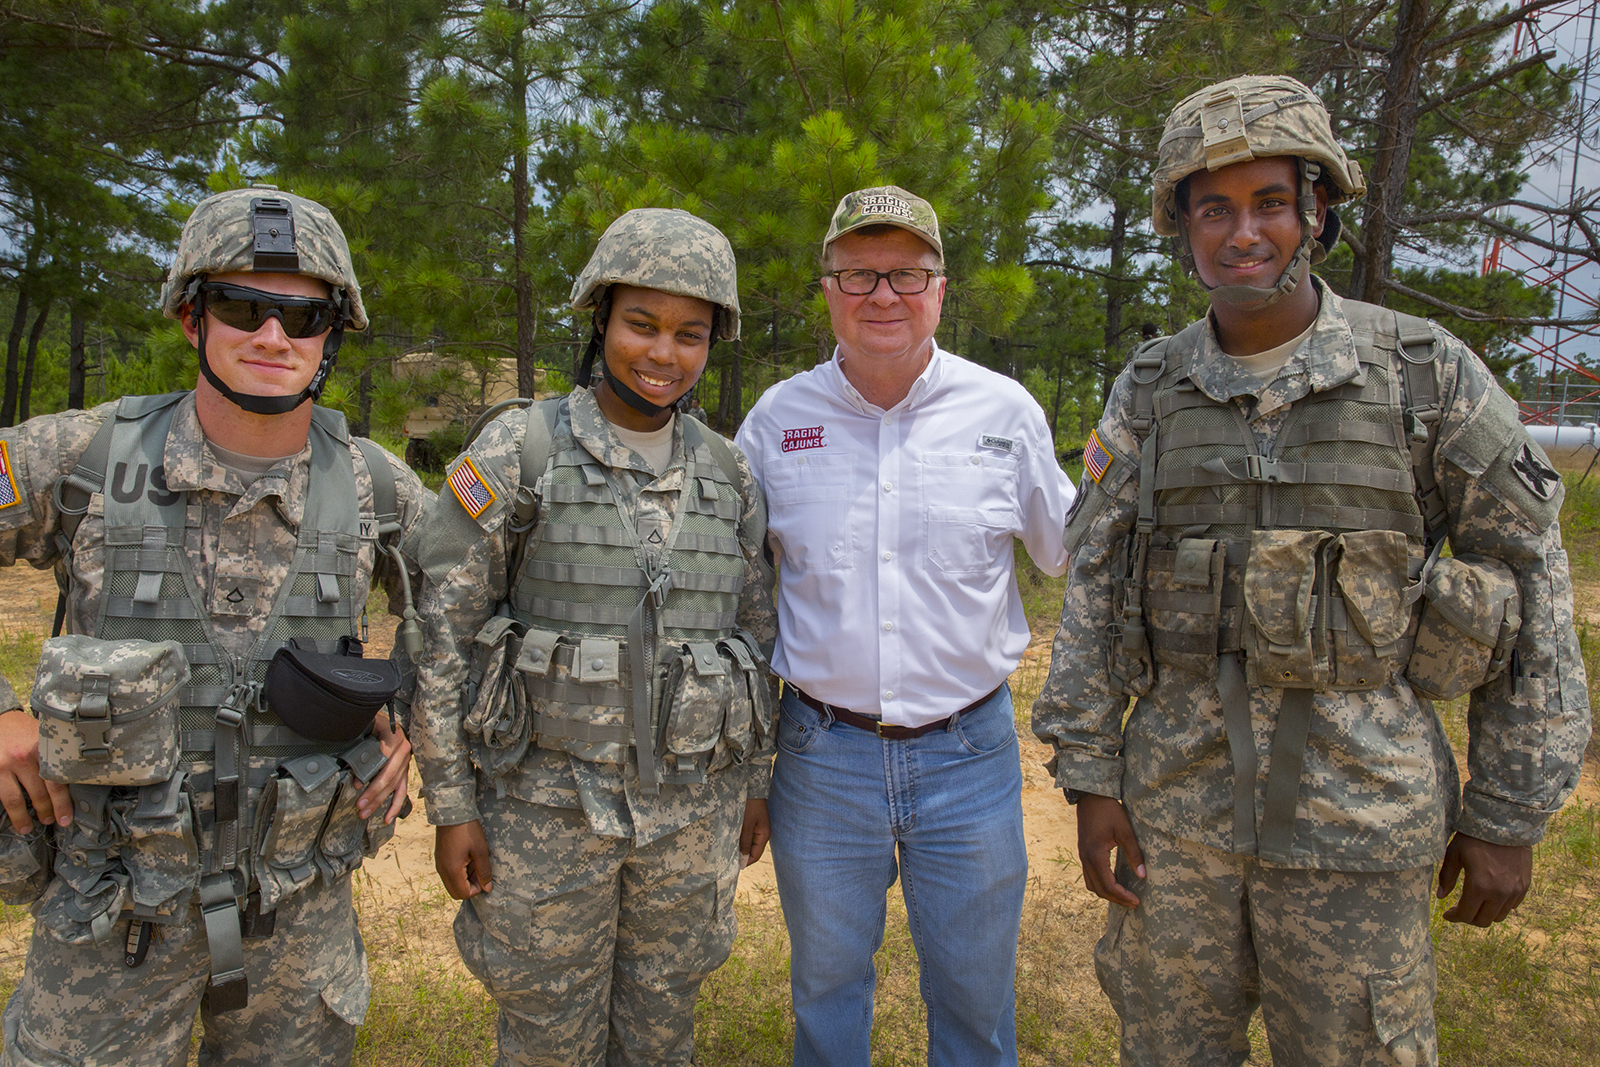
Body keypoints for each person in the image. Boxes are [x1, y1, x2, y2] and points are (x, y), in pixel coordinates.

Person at [1032, 75, 1592, 1067]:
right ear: (1182, 225)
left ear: (1316, 210)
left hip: (1360, 824)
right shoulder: (1153, 390)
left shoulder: (1423, 373)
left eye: (1271, 203)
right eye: (1215, 208)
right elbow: (1094, 589)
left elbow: (1530, 584)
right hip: (1178, 819)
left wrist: (1506, 811)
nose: (1243, 233)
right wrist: (1088, 778)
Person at [0, 185, 428, 1065]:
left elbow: (472, 602)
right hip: (111, 906)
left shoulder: (379, 488)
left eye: (302, 317)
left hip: (295, 906)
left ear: (332, 335)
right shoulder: (80, 459)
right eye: (242, 306)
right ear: (193, 317)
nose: (273, 336)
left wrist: (411, 721)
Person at [410, 207, 777, 1066]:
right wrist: (452, 805)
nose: (663, 354)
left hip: (691, 811)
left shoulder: (729, 472)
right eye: (641, 324)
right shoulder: (520, 449)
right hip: (545, 811)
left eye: (690, 334)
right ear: (601, 319)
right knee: (547, 1035)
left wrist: (757, 783)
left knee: (662, 1032)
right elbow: (442, 639)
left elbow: (758, 641)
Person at [734, 186, 1074, 1067]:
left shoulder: (1006, 414)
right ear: (828, 289)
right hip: (822, 754)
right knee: (827, 990)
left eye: (907, 274)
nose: (883, 294)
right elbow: (731, 591)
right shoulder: (775, 423)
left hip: (969, 755)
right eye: (858, 274)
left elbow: (1072, 554)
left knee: (974, 995)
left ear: (940, 288)